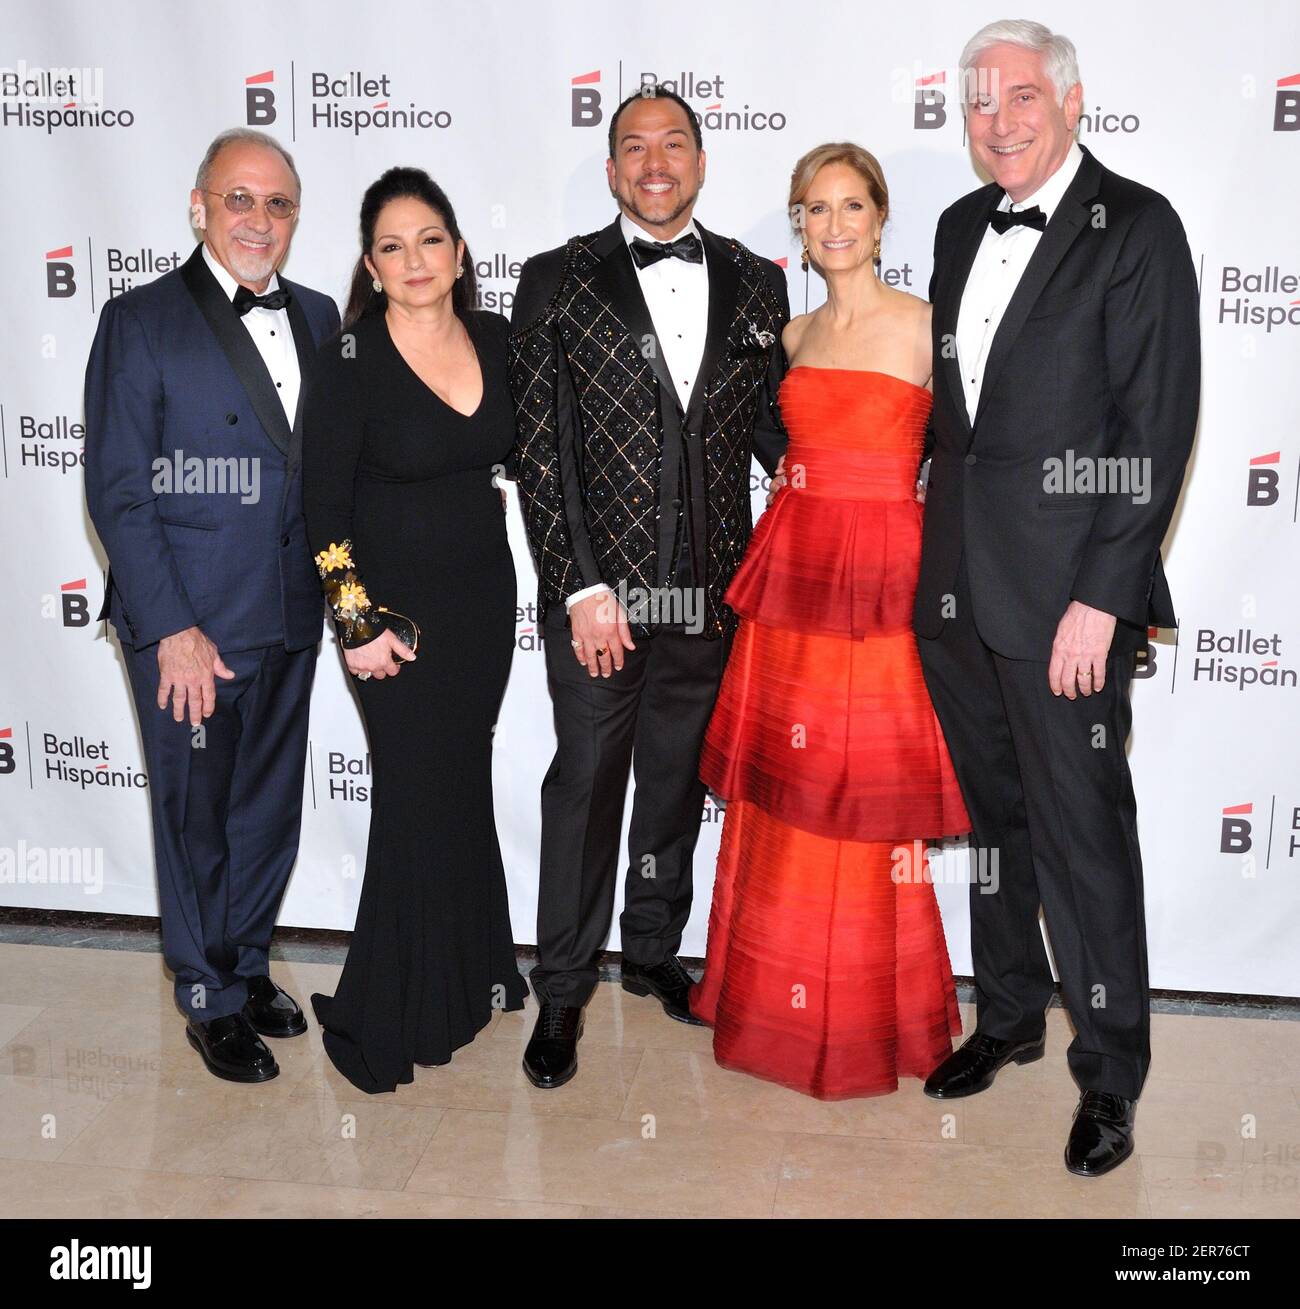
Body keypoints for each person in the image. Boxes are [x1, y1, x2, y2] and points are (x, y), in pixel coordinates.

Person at [914, 20, 1199, 1175]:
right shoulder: (950, 227)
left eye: (1021, 98)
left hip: (1068, 600)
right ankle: (1009, 1016)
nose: (999, 121)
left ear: (1071, 103)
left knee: (1082, 839)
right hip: (955, 590)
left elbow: (1153, 430)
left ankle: (1111, 1074)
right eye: (979, 103)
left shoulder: (1133, 225)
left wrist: (1102, 596)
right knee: (993, 824)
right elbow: (956, 427)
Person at [507, 84, 789, 1089]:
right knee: (584, 787)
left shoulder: (759, 281)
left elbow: (770, 431)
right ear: (612, 167)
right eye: (634, 147)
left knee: (672, 783)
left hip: (711, 596)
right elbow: (538, 452)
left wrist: (875, 465)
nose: (655, 162)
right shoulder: (557, 277)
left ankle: (653, 950)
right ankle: (566, 989)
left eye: (673, 144)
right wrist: (580, 587)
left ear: (702, 161)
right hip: (601, 603)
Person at [688, 144, 971, 1098]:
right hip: (796, 575)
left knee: (867, 802)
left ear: (882, 219)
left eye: (852, 206)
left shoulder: (934, 330)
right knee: (788, 787)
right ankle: (766, 1000)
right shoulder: (793, 335)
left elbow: (972, 466)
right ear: (798, 227)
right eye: (816, 209)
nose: (835, 224)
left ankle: (869, 1013)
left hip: (885, 588)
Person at [84, 128, 340, 1083]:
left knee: (265, 808)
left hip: (289, 612)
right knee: (195, 813)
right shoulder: (140, 319)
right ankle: (205, 994)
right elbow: (119, 488)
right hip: (189, 622)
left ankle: (243, 961)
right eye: (240, 199)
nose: (258, 220)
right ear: (199, 206)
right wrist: (171, 630)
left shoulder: (318, 316)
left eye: (277, 204)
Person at [302, 167, 527, 1095]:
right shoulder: (349, 358)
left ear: (460, 250)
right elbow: (321, 509)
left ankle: (471, 978)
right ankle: (392, 1008)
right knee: (411, 800)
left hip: (480, 603)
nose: (415, 259)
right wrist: (354, 626)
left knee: (460, 785)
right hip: (391, 621)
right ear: (371, 264)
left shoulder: (497, 337)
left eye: (430, 238)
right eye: (392, 246)